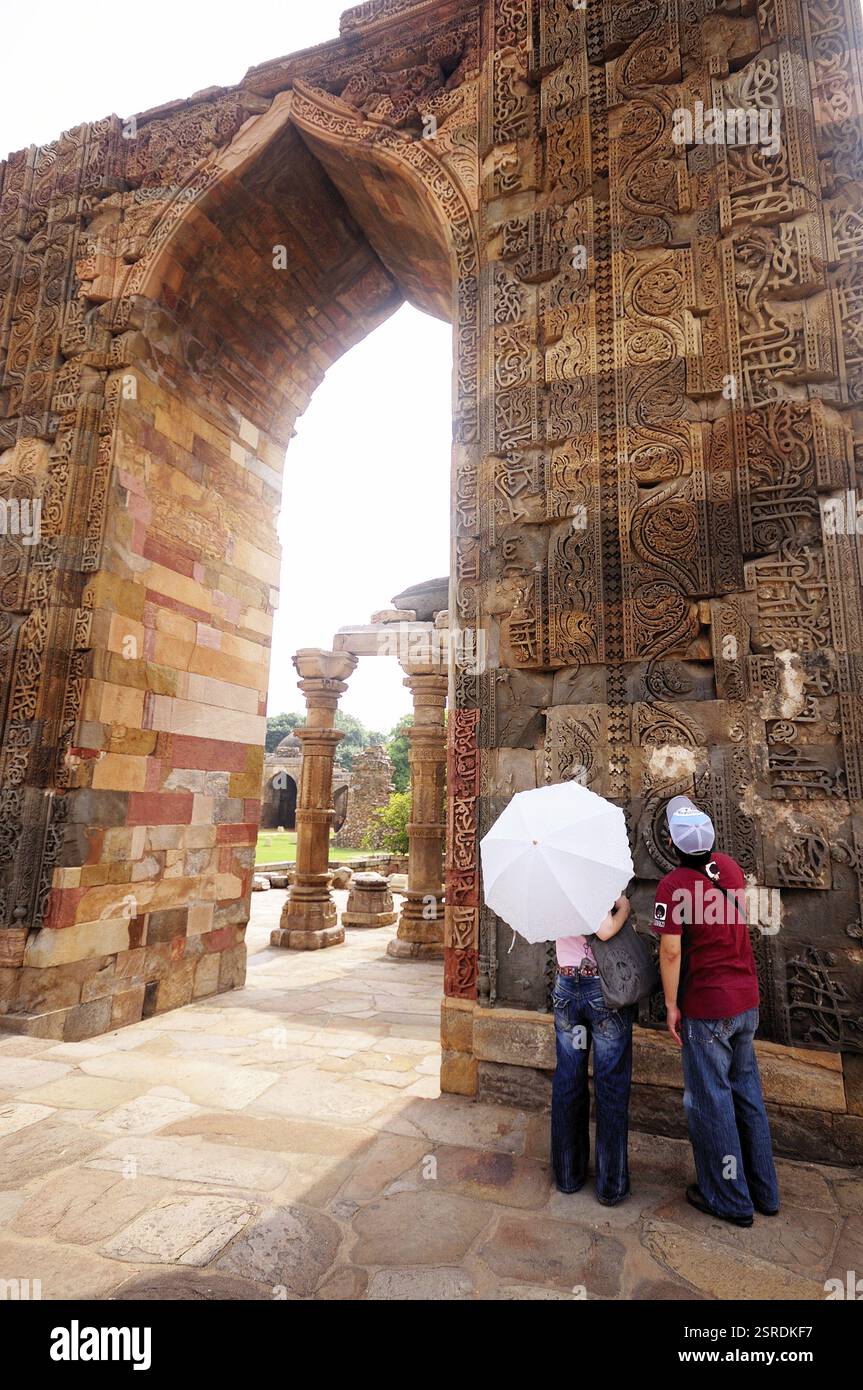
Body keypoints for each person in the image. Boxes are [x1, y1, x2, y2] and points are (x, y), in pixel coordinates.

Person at [652, 795, 780, 1227]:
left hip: (708, 1007)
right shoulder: (728, 868)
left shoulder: (672, 887)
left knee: (711, 1101)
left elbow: (671, 952)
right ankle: (764, 1190)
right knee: (747, 1094)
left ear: (671, 841)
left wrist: (671, 1005)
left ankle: (729, 1197)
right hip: (746, 1001)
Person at [551, 894, 633, 1205]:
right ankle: (611, 1184)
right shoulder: (586, 878)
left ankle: (568, 1174)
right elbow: (606, 930)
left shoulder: (551, 880)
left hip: (566, 984)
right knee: (610, 1083)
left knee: (568, 1079)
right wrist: (622, 905)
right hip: (601, 989)